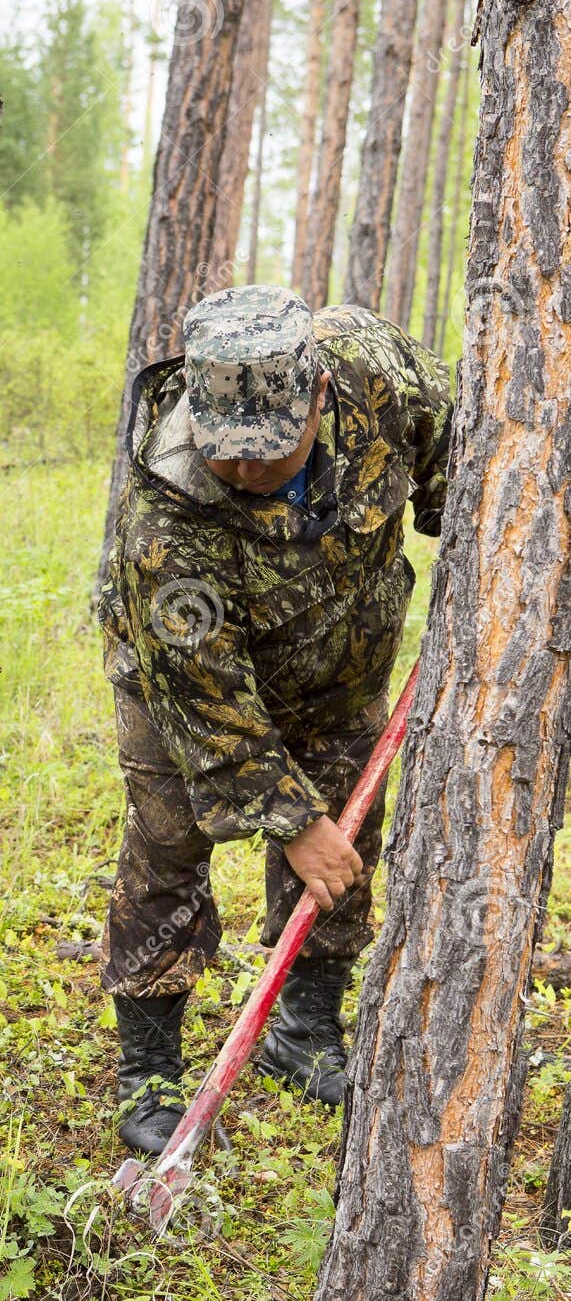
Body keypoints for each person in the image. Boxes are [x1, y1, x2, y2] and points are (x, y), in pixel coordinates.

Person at [97, 284, 452, 1154]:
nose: (250, 472)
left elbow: (463, 462)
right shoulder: (165, 515)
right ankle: (148, 1071)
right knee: (168, 843)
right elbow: (207, 698)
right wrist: (287, 818)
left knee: (345, 847)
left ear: (319, 395)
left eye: (271, 450)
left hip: (340, 662)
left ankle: (301, 1031)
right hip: (183, 686)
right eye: (230, 454)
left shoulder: (375, 369)